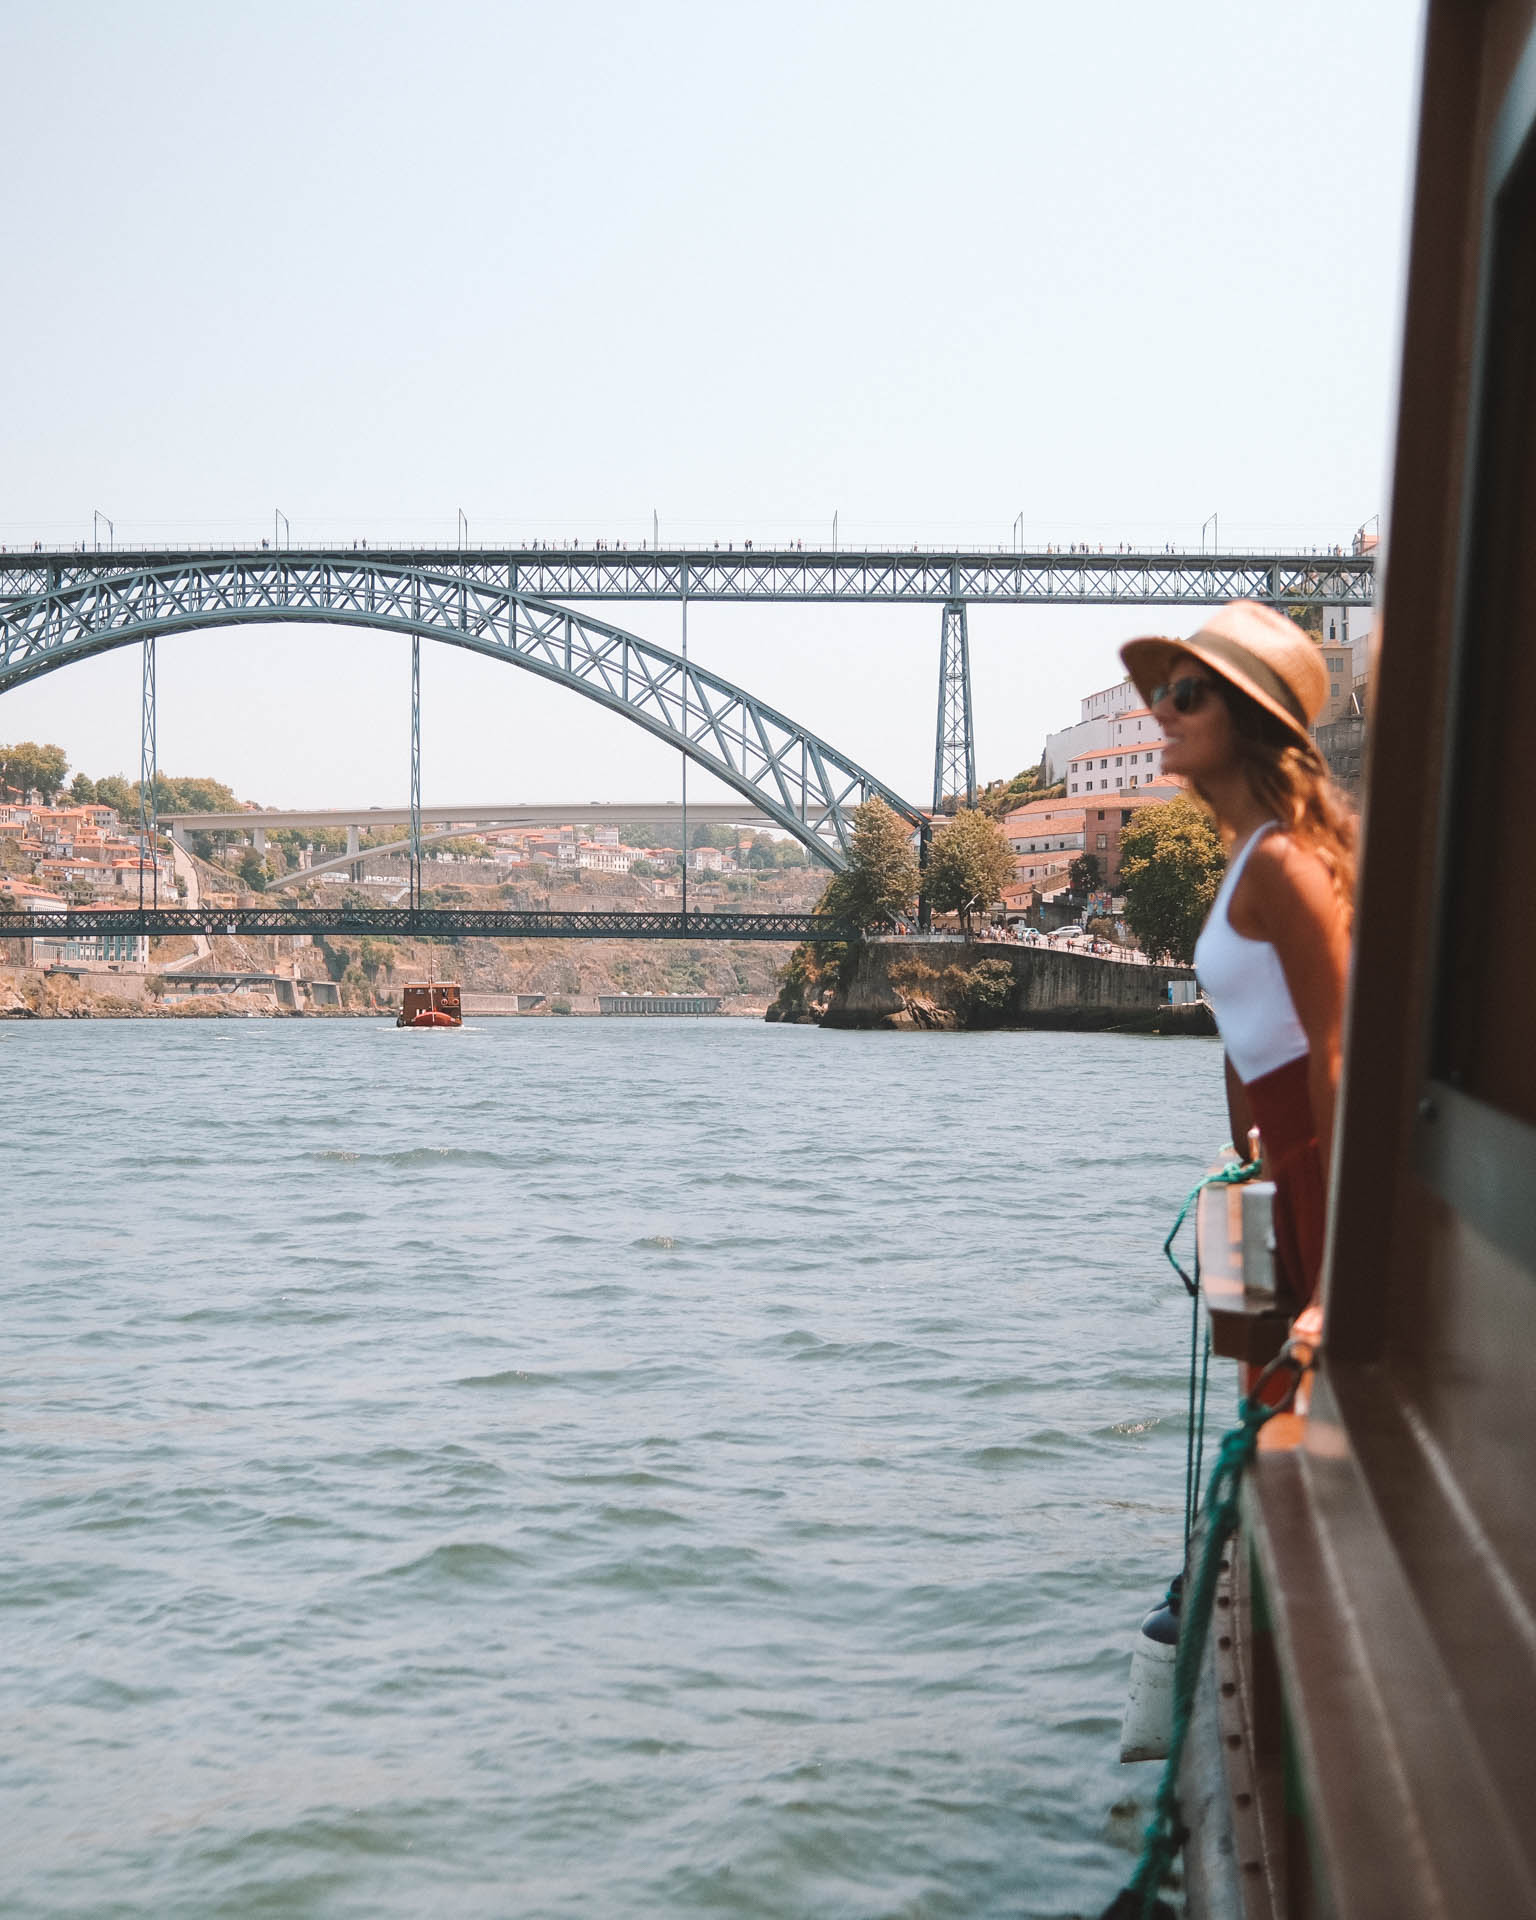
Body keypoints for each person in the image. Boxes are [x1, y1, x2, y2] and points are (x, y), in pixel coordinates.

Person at [1121, 600, 1355, 1314]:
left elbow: (1338, 1053)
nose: (1161, 711)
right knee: (1282, 1384)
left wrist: (1340, 1274)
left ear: (1248, 718)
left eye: (1185, 695)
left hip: (1319, 1171)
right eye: (1161, 694)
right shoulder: (1248, 858)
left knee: (1320, 1382)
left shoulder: (1283, 864)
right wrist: (1254, 1158)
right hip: (1281, 1163)